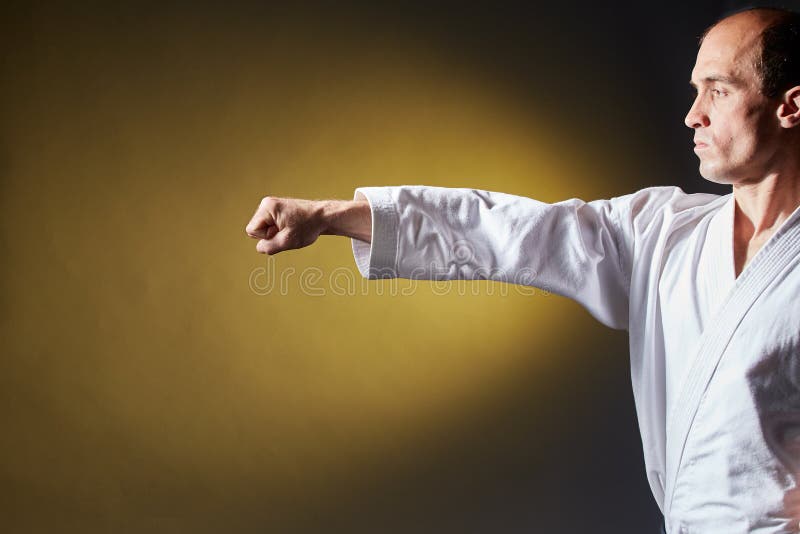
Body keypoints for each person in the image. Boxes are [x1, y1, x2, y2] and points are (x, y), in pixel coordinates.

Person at [245, 7, 800, 533]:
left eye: (718, 91)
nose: (692, 114)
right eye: (695, 91)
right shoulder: (663, 233)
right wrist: (334, 216)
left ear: (790, 106)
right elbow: (510, 232)